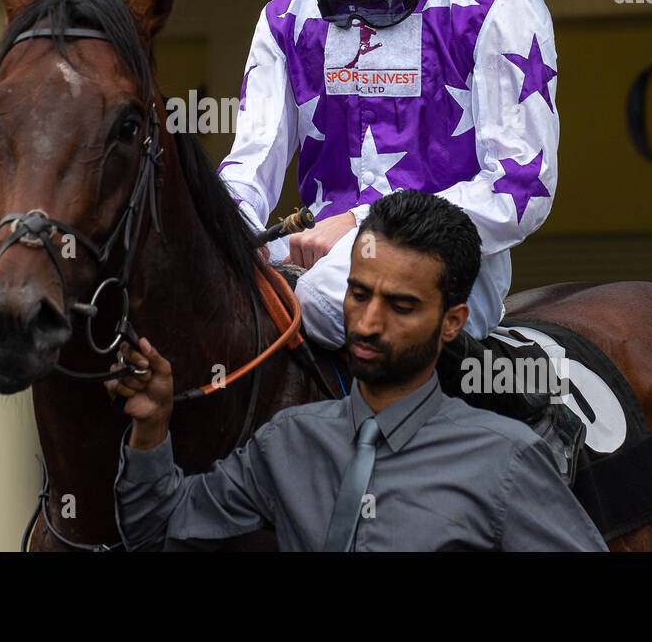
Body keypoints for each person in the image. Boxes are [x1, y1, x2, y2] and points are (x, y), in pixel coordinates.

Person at [217, 0, 584, 480]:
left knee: (332, 298)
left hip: (448, 271)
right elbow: (248, 169)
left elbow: (522, 188)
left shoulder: (501, 5)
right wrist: (228, 244)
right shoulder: (285, 20)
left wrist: (361, 229)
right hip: (309, 270)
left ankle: (523, 420)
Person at [112, 190, 607, 551]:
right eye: (359, 294)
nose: (368, 324)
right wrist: (152, 426)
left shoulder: (507, 461)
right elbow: (157, 529)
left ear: (452, 322)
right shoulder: (286, 443)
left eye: (402, 306)